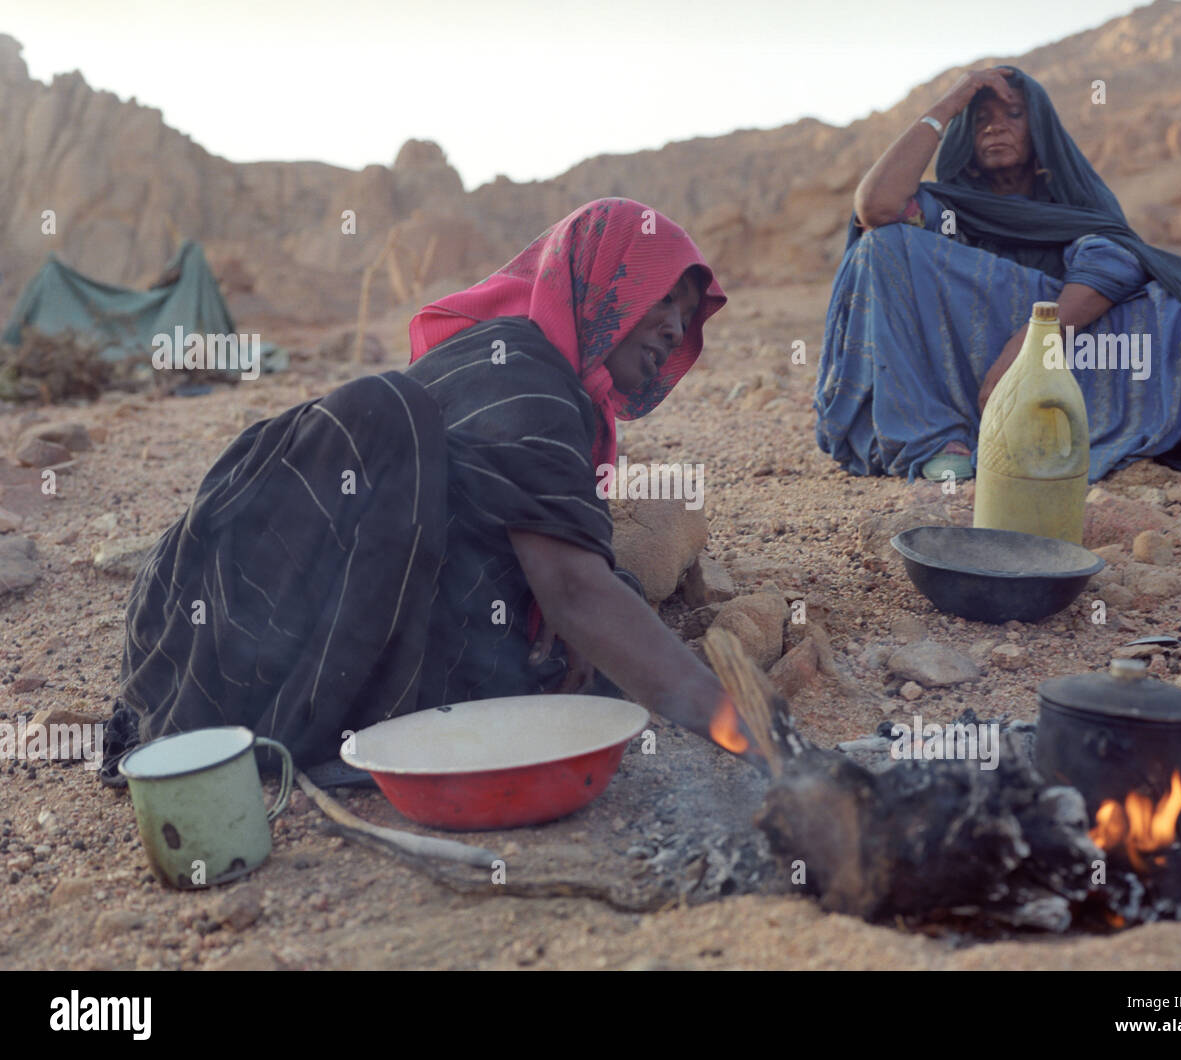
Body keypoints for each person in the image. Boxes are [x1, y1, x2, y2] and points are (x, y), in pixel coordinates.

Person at [101, 198, 738, 785]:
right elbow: (573, 590)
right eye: (664, 301)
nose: (677, 330)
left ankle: (374, 715)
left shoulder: (567, 400)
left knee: (598, 653)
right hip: (225, 628)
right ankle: (274, 733)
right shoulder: (519, 370)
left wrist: (585, 622)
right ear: (608, 283)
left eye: (686, 316)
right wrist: (750, 734)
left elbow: (563, 570)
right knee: (386, 412)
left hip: (399, 594)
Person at [815, 66, 1181, 484]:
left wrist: (1030, 342)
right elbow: (876, 208)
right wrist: (949, 103)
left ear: (1040, 133)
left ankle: (1072, 432)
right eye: (979, 119)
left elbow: (1113, 261)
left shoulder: (1072, 199)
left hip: (1057, 356)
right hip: (963, 368)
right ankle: (939, 439)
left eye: (1014, 114)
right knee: (883, 247)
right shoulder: (947, 210)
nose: (995, 126)